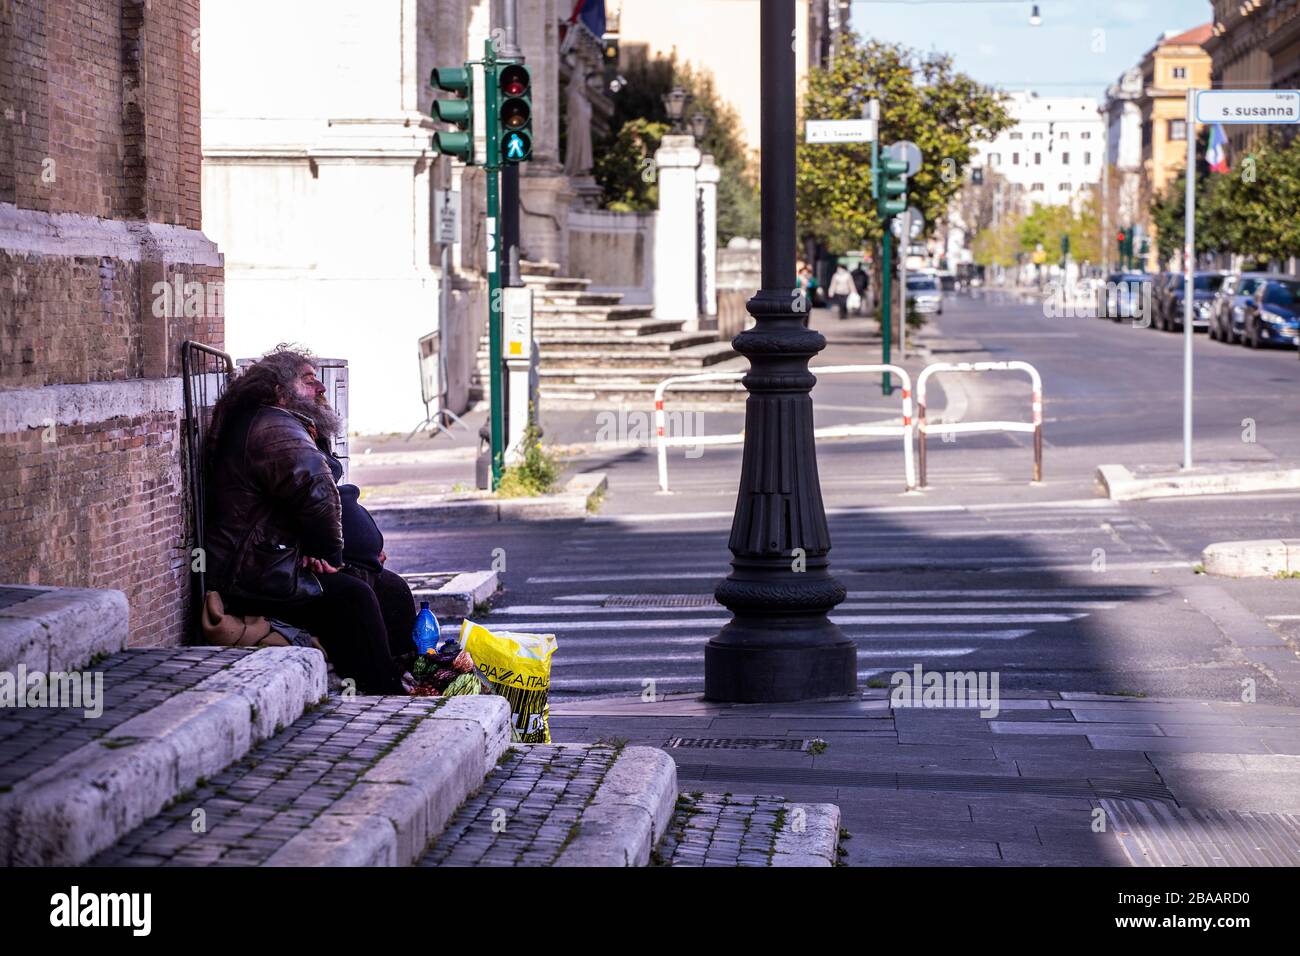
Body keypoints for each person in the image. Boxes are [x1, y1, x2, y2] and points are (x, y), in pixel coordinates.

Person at [204, 347, 407, 694]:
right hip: (257, 578)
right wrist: (331, 555)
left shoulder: (280, 423)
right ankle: (380, 691)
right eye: (309, 381)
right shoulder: (274, 427)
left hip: (279, 560)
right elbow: (316, 489)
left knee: (390, 588)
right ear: (279, 390)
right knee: (353, 598)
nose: (321, 389)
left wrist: (332, 552)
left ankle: (403, 672)